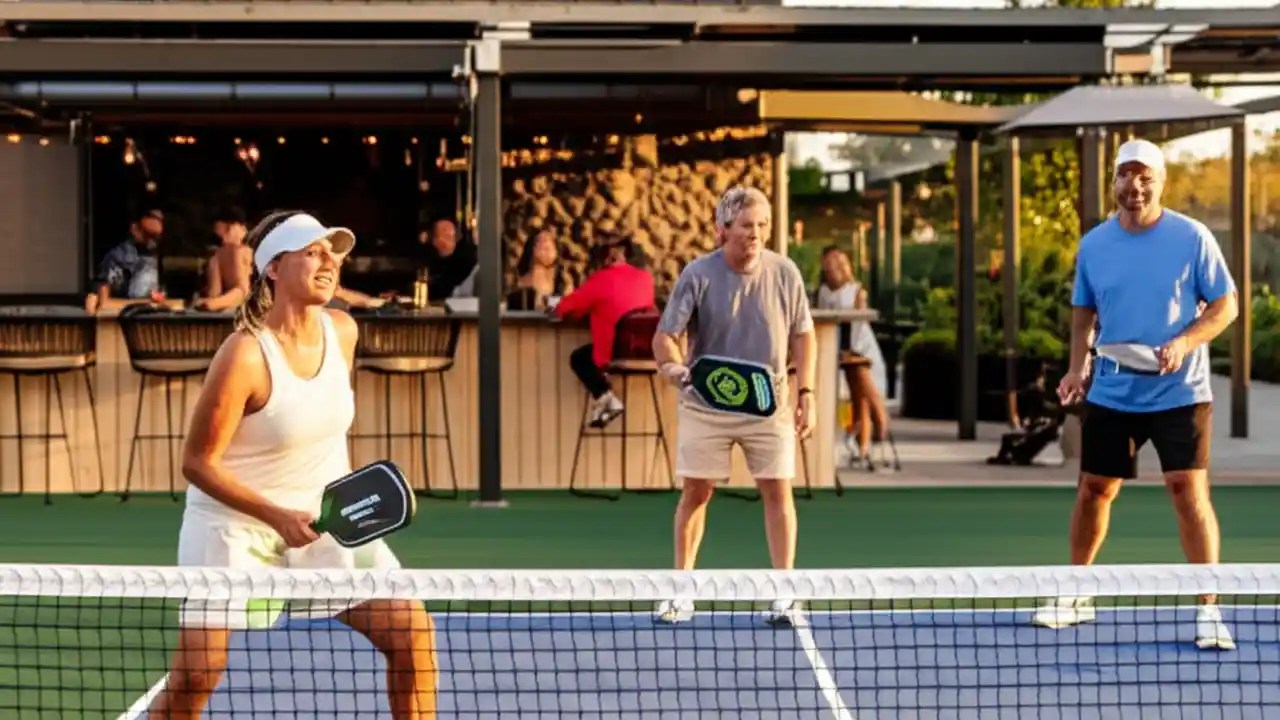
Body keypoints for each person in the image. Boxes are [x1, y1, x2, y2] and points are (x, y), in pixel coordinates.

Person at [150, 210, 437, 718]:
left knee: (412, 635)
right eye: (312, 251)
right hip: (234, 527)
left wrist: (323, 510)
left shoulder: (343, 332)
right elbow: (197, 463)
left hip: (323, 520)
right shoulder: (244, 355)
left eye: (333, 254)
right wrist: (276, 516)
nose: (328, 262)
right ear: (274, 268)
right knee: (198, 674)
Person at [1033, 139, 1238, 650]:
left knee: (1187, 491)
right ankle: (1077, 594)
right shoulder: (1094, 245)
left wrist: (1185, 341)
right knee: (1094, 490)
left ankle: (1208, 610)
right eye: (1126, 176)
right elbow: (1084, 313)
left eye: (1145, 176)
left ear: (1161, 181)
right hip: (1114, 390)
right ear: (1114, 182)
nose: (1135, 186)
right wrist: (1077, 369)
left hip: (1180, 391)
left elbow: (1226, 305)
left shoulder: (1192, 237)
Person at [651, 186, 816, 626]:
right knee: (696, 493)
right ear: (722, 229)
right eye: (746, 226)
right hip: (706, 403)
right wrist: (670, 364)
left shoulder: (786, 272)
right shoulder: (697, 274)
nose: (756, 233)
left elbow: (804, 335)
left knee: (778, 492)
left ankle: (784, 594)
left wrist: (807, 395)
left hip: (770, 402)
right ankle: (680, 592)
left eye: (763, 225)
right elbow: (666, 335)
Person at [553, 233, 655, 427]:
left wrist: (552, 308)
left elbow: (569, 306)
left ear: (608, 257)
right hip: (645, 354)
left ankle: (606, 397)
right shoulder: (645, 279)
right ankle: (606, 402)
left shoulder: (602, 279)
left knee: (579, 358)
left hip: (615, 353)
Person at [815, 245, 891, 467]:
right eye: (831, 264)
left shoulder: (857, 291)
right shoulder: (823, 292)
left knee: (864, 387)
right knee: (857, 395)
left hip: (861, 348)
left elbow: (858, 323)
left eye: (840, 263)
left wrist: (851, 349)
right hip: (837, 350)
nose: (835, 268)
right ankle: (863, 445)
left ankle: (878, 426)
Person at [85, 207, 166, 312]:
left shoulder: (155, 259)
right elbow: (103, 303)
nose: (151, 243)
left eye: (155, 238)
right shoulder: (118, 256)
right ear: (135, 229)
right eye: (147, 236)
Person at [194, 207, 252, 312]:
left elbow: (243, 291)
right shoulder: (218, 256)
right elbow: (215, 292)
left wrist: (214, 303)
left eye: (228, 229)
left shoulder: (243, 251)